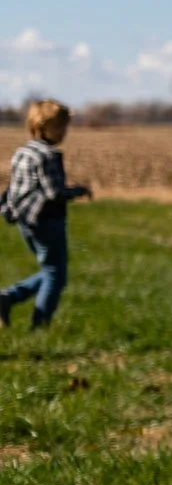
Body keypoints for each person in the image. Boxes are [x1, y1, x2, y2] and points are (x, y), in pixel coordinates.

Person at [3, 100, 92, 329]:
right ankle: (39, 325)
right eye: (62, 127)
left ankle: (7, 298)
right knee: (56, 276)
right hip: (47, 220)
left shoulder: (22, 152)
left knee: (51, 270)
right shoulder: (49, 156)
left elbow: (14, 187)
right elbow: (54, 193)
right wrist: (79, 190)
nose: (65, 133)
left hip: (26, 221)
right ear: (47, 127)